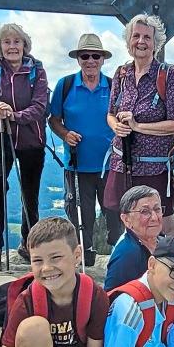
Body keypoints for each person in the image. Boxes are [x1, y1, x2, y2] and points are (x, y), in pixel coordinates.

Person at [0, 217, 152, 347]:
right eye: (38, 260)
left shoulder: (93, 297)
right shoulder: (27, 302)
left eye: (55, 257)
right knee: (32, 329)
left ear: (77, 255)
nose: (46, 268)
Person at [104, 14, 174, 237]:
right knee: (128, 220)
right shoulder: (122, 73)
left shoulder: (169, 75)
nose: (141, 41)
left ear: (155, 43)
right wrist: (116, 127)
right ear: (129, 41)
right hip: (123, 163)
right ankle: (135, 267)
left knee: (162, 225)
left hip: (154, 168)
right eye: (136, 36)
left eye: (147, 37)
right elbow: (110, 114)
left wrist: (138, 126)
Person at [0, 23, 49, 266]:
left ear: (24, 46)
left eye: (16, 42)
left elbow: (40, 107)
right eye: (7, 42)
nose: (12, 46)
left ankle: (28, 243)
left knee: (30, 194)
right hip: (0, 139)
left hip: (32, 141)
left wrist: (12, 116)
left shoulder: (37, 71)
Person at [48, 33, 117, 264]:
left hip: (110, 164)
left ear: (102, 59)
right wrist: (66, 134)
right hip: (77, 164)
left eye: (95, 55)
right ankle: (85, 261)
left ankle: (117, 257)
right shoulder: (66, 85)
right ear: (78, 59)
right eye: (85, 55)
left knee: (114, 214)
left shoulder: (113, 86)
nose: (90, 60)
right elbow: (53, 119)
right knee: (80, 217)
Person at [104, 185, 164, 291]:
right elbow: (112, 296)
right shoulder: (127, 254)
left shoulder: (163, 241)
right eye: (145, 212)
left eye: (157, 209)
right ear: (126, 219)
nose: (154, 217)